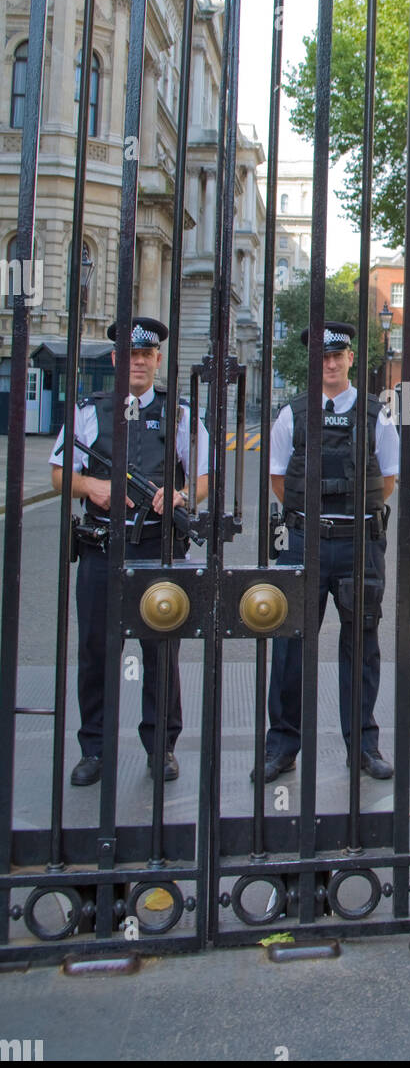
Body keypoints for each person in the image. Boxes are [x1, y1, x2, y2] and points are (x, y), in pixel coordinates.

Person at [50, 317, 210, 787]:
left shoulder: (178, 413)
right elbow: (60, 474)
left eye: (147, 354)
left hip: (159, 549)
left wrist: (181, 496)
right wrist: (93, 486)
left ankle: (161, 747)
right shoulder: (88, 411)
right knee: (97, 652)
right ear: (118, 360)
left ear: (156, 360)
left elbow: (204, 475)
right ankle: (94, 749)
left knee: (161, 652)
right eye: (130, 355)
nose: (138, 362)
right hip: (102, 548)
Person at [260, 322, 399, 783]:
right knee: (289, 648)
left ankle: (363, 746)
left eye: (338, 355)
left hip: (360, 544)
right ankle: (282, 747)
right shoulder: (292, 415)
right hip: (305, 543)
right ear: (314, 362)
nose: (331, 363)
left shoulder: (377, 414)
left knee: (361, 647)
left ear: (351, 358)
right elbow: (280, 480)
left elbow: (388, 481)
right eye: (323, 357)